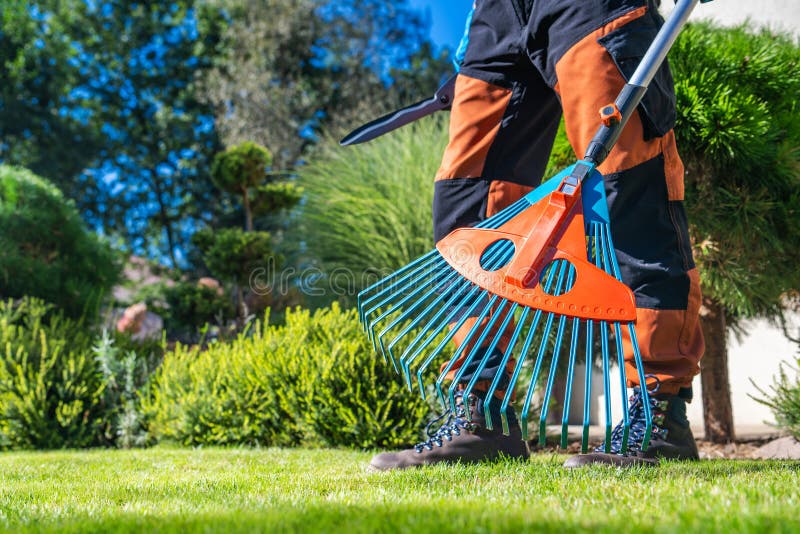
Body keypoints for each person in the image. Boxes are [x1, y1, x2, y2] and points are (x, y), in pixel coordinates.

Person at [369, 0, 704, 471]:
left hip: (592, 7)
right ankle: (481, 413)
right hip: (498, 14)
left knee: (628, 186)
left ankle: (658, 413)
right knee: (469, 200)